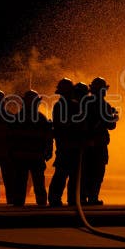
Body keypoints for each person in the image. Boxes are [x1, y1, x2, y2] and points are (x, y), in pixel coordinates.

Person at [8, 89, 53, 206]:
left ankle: (19, 204)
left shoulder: (17, 118)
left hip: (25, 157)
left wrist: (48, 150)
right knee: (34, 182)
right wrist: (48, 151)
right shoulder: (41, 119)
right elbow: (11, 138)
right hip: (32, 157)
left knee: (23, 182)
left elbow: (48, 138)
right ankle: (40, 204)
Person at [80, 77, 118, 206]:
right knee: (96, 173)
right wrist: (114, 118)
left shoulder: (84, 102)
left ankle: (82, 197)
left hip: (86, 144)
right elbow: (110, 125)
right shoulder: (103, 105)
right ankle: (92, 197)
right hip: (98, 145)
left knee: (85, 172)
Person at [47, 78, 83, 207]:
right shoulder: (65, 105)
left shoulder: (68, 105)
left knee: (70, 174)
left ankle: (63, 199)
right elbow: (63, 125)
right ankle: (58, 198)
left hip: (68, 144)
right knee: (64, 173)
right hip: (67, 144)